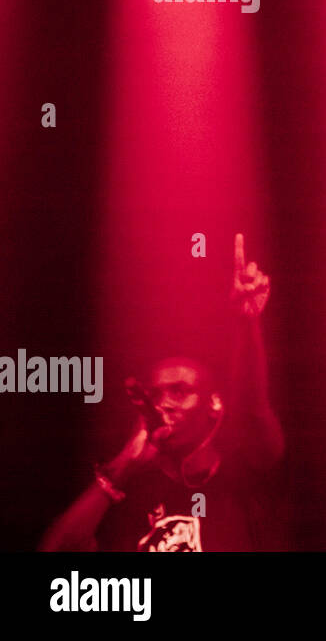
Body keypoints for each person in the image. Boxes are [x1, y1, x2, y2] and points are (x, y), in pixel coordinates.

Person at [39, 234, 285, 551]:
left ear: (214, 404)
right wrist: (122, 465)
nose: (164, 402)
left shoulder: (246, 471)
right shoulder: (129, 492)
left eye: (180, 391)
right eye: (155, 394)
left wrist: (246, 322)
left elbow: (252, 408)